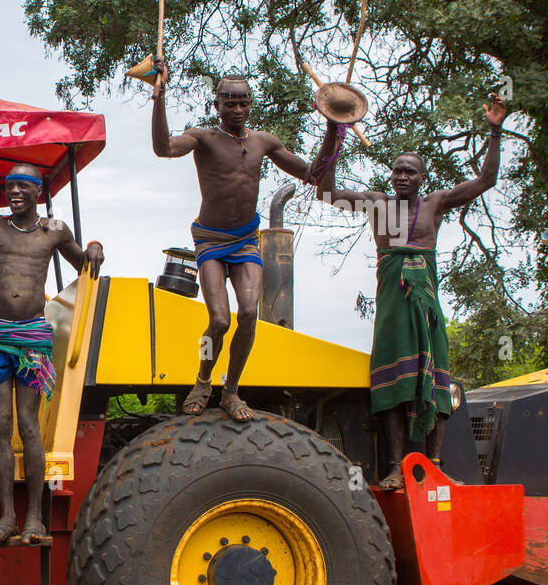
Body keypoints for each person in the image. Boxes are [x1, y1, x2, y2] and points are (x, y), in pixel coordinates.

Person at [314, 93, 507, 488]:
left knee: (436, 381)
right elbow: (326, 192)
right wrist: (335, 130)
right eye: (398, 171)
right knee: (391, 385)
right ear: (391, 175)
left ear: (423, 178)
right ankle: (395, 468)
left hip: (426, 305)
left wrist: (494, 130)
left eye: (410, 173)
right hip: (391, 305)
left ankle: (433, 464)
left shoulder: (436, 204)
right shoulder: (376, 203)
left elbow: (487, 180)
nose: (402, 177)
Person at [151, 64, 336, 420]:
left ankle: (231, 390)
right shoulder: (202, 137)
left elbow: (314, 174)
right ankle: (203, 380)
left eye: (243, 103)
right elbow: (164, 148)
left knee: (249, 313)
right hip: (209, 240)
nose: (236, 109)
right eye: (229, 103)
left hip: (246, 240)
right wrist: (159, 98)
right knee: (219, 320)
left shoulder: (263, 142)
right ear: (216, 104)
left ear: (251, 105)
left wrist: (331, 126)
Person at [0, 165, 103, 544]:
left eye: (22, 186)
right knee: (0, 426)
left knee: (28, 425)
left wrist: (95, 247)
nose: (14, 191)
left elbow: (86, 266)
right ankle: (6, 518)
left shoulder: (55, 230)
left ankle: (34, 520)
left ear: (38, 193)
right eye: (9, 185)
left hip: (32, 334)